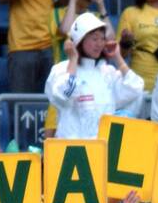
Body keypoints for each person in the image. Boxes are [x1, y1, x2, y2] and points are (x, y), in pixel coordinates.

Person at [45, 11, 142, 139]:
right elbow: (64, 95)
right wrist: (73, 59)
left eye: (102, 38)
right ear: (79, 40)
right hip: (73, 147)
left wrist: (117, 57)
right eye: (94, 39)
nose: (99, 44)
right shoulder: (61, 69)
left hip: (102, 146)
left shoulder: (107, 72)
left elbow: (135, 88)